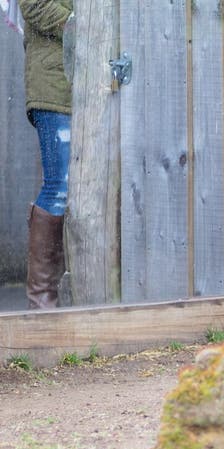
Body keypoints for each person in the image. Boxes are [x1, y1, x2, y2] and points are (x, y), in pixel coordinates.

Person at [20, 0, 72, 308]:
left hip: (88, 86)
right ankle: (42, 305)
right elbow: (33, 4)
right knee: (58, 187)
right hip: (52, 87)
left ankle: (69, 297)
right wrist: (76, 24)